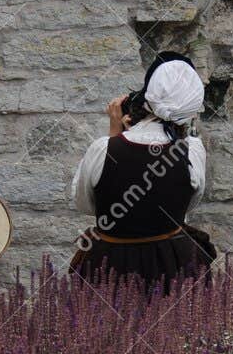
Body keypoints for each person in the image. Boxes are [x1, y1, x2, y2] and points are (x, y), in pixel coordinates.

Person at [69, 53, 217, 288]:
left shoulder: (103, 149)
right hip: (172, 265)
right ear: (191, 109)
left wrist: (115, 137)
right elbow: (187, 205)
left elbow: (85, 204)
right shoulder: (192, 150)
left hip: (109, 267)